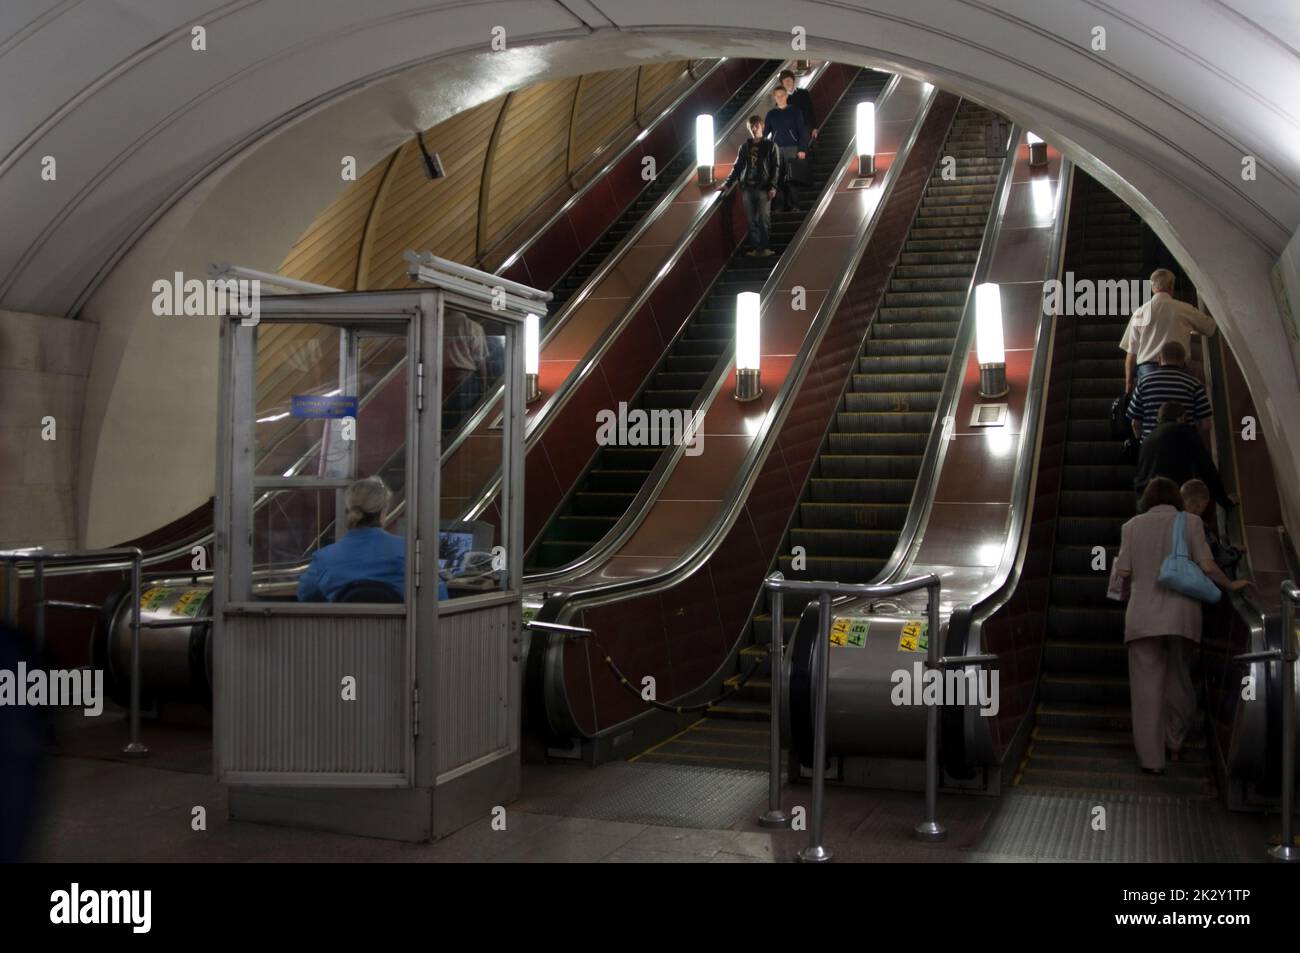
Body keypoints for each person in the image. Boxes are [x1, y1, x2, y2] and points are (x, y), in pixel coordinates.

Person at [1113, 478, 1249, 774]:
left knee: (1146, 690)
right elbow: (1208, 565)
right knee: (1179, 680)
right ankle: (1175, 741)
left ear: (1147, 499)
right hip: (1181, 616)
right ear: (1177, 498)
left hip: (1142, 617)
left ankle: (1152, 761)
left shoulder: (1131, 526)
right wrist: (1231, 584)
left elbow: (1121, 573)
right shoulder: (1189, 522)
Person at [297, 477, 448, 601]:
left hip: (343, 637)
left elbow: (305, 597)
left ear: (347, 511)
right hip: (401, 637)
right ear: (383, 513)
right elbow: (439, 597)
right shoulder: (409, 551)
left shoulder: (324, 558)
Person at [1120, 268, 1217, 393]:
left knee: (1152, 409)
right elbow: (1210, 328)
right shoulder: (1184, 309)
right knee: (1176, 408)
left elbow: (1131, 354)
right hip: (1177, 370)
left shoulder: (1139, 313)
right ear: (1171, 285)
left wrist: (1128, 384)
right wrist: (1190, 329)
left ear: (1152, 287)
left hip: (1147, 373)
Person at [1133, 400, 1231, 507]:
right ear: (1181, 418)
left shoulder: (1147, 440)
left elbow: (1140, 474)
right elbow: (1206, 467)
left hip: (1146, 502)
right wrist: (1225, 501)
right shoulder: (1184, 430)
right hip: (1172, 499)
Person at [1126, 341, 1211, 441]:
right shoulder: (1195, 385)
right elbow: (1206, 424)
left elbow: (1135, 423)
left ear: (1159, 360)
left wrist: (1142, 442)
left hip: (1152, 447)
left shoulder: (1144, 383)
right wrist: (1191, 437)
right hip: (1184, 448)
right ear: (1183, 361)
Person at [724, 115, 783, 257]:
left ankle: (764, 247)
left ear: (762, 126)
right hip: (748, 188)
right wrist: (727, 184)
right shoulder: (745, 147)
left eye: (756, 125)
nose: (754, 128)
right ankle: (757, 248)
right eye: (751, 126)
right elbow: (737, 167)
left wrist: (773, 186)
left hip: (764, 188)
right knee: (751, 221)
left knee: (763, 219)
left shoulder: (770, 145)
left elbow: (776, 167)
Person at [1181, 478, 1243, 575]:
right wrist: (1235, 551)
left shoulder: (1171, 518)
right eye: (1205, 506)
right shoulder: (1197, 526)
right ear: (1199, 505)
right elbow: (1217, 558)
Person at [763, 85, 808, 213]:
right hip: (776, 150)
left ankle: (795, 206)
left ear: (786, 96)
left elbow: (802, 131)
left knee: (792, 179)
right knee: (777, 180)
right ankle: (778, 207)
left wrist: (802, 149)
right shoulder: (771, 114)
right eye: (777, 96)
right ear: (774, 98)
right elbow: (765, 133)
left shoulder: (795, 111)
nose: (780, 98)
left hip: (792, 148)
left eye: (782, 95)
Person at [442, 309, 488, 433]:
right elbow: (479, 359)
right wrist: (484, 385)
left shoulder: (437, 325)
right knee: (463, 420)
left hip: (441, 378)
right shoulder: (473, 326)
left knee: (444, 418)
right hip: (465, 379)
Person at [779, 68, 817, 148]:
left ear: (793, 80)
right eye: (785, 81)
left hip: (806, 128)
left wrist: (815, 128)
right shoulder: (781, 99)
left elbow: (811, 110)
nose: (788, 82)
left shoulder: (803, 93)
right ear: (782, 84)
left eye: (789, 80)